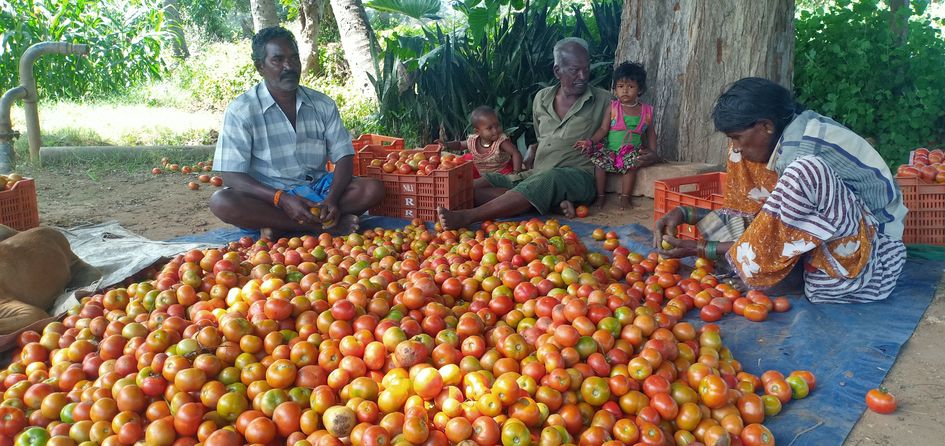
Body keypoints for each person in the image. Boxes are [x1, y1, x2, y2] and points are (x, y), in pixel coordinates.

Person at [655, 77, 907, 303]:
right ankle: (760, 263)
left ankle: (782, 274)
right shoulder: (785, 137)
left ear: (766, 126)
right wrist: (686, 212)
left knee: (805, 171)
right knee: (739, 155)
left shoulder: (799, 155)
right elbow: (765, 221)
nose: (736, 146)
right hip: (837, 229)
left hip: (870, 256)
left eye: (737, 136)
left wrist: (699, 248)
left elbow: (775, 224)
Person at [209, 26, 384, 240]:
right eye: (278, 60)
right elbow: (231, 175)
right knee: (222, 201)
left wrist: (331, 200)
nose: (289, 66)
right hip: (268, 198)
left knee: (372, 189)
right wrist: (281, 198)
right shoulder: (242, 110)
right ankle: (318, 228)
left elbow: (344, 156)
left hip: (317, 194)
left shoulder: (322, 104)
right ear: (260, 66)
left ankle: (282, 228)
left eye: (294, 58)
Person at [436, 38, 608, 229]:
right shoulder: (542, 98)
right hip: (537, 173)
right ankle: (545, 204)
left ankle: (468, 217)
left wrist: (645, 151)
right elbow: (541, 136)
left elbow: (629, 130)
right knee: (486, 182)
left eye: (586, 68)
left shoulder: (605, 100)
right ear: (557, 71)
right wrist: (532, 154)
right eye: (575, 70)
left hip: (578, 177)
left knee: (548, 179)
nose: (583, 75)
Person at [575, 62, 659, 209]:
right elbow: (603, 129)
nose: (625, 91)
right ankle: (600, 196)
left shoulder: (646, 111)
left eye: (630, 87)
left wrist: (653, 152)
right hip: (611, 151)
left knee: (632, 166)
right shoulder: (613, 108)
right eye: (620, 87)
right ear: (615, 89)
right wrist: (590, 141)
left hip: (631, 152)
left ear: (640, 90)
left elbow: (651, 133)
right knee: (599, 164)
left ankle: (625, 198)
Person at [440, 106, 523, 177]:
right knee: (463, 167)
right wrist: (446, 145)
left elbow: (515, 153)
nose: (495, 130)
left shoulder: (501, 141)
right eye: (489, 128)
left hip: (500, 173)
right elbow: (459, 145)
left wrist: (516, 173)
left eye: (497, 125)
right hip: (480, 172)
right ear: (477, 132)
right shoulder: (472, 141)